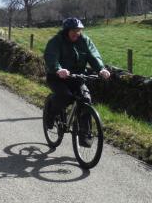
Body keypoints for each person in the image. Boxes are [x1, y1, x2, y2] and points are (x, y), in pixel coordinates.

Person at [43, 17, 110, 147]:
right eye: (73, 30)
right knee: (65, 96)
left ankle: (85, 134)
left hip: (77, 77)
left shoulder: (85, 41)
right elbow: (51, 57)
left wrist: (101, 69)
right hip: (57, 78)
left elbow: (93, 55)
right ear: (67, 30)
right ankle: (50, 114)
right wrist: (58, 69)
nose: (76, 33)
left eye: (78, 30)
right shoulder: (56, 41)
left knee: (86, 99)